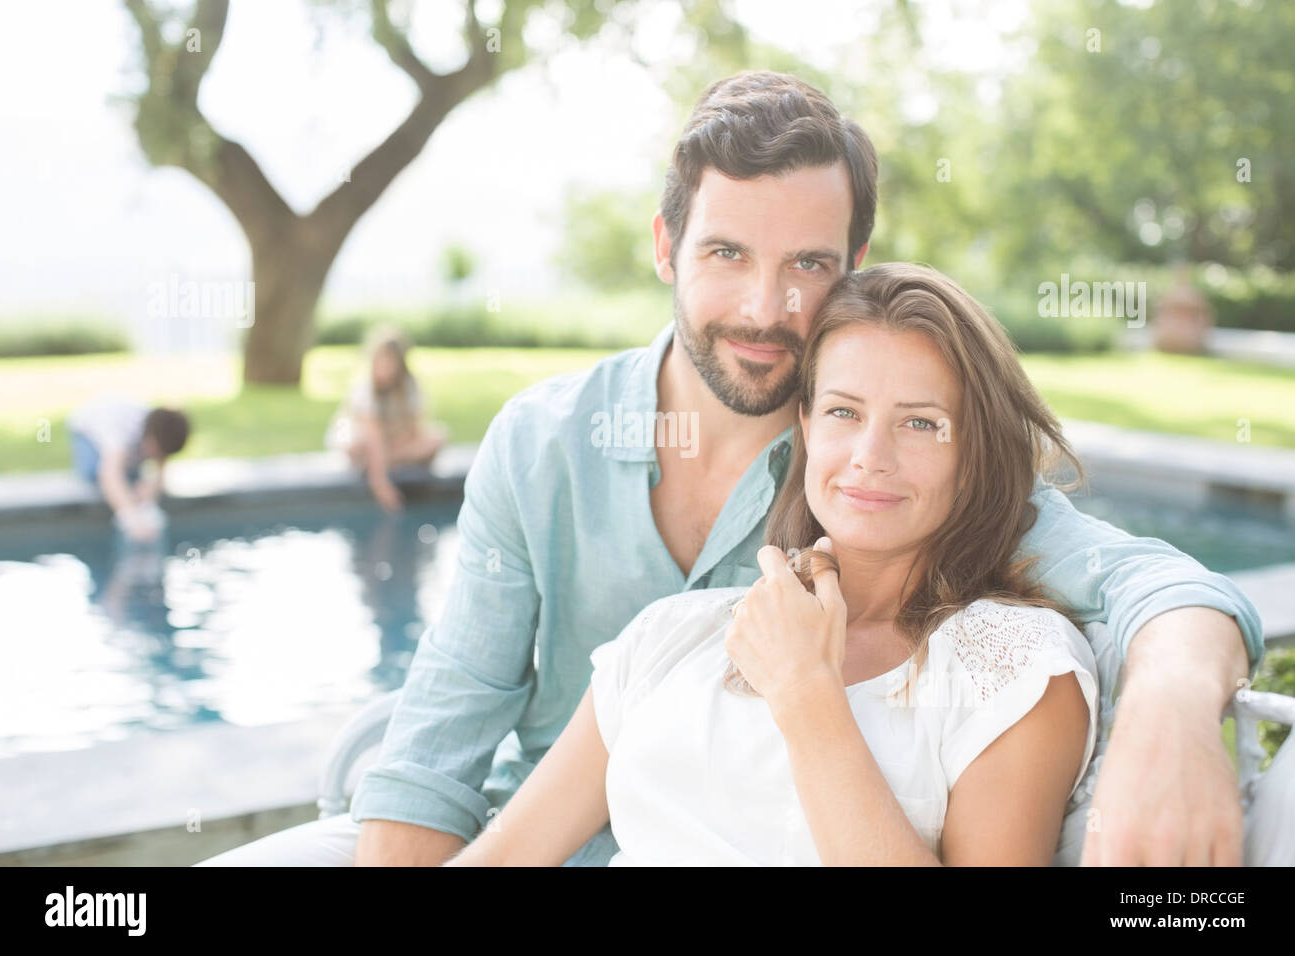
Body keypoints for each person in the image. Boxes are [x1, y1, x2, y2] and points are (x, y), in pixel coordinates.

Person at [196, 70, 1261, 869]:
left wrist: (1171, 704)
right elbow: (438, 737)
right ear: (665, 248)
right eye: (726, 256)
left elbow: (1148, 585)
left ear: (850, 271)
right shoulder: (543, 446)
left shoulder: (879, 469)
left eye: (808, 264)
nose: (765, 308)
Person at [446, 263, 1101, 864]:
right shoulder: (675, 634)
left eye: (921, 423)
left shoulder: (1014, 667)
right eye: (845, 412)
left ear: (976, 451)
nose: (871, 455)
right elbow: (503, 858)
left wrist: (808, 698)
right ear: (807, 427)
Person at [325, 326, 449, 513]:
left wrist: (390, 450)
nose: (385, 367)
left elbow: (414, 428)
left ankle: (379, 461)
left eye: (390, 362)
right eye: (381, 361)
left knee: (437, 438)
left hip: (394, 442)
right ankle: (379, 462)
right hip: (366, 439)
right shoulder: (365, 388)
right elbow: (372, 434)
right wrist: (381, 484)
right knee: (356, 445)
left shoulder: (409, 387)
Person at [68, 394, 190, 543]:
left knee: (132, 476)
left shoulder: (162, 431)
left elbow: (161, 468)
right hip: (87, 428)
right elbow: (108, 474)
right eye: (157, 452)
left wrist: (150, 493)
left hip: (129, 440)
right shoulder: (122, 434)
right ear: (150, 439)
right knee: (93, 473)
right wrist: (130, 516)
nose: (158, 457)